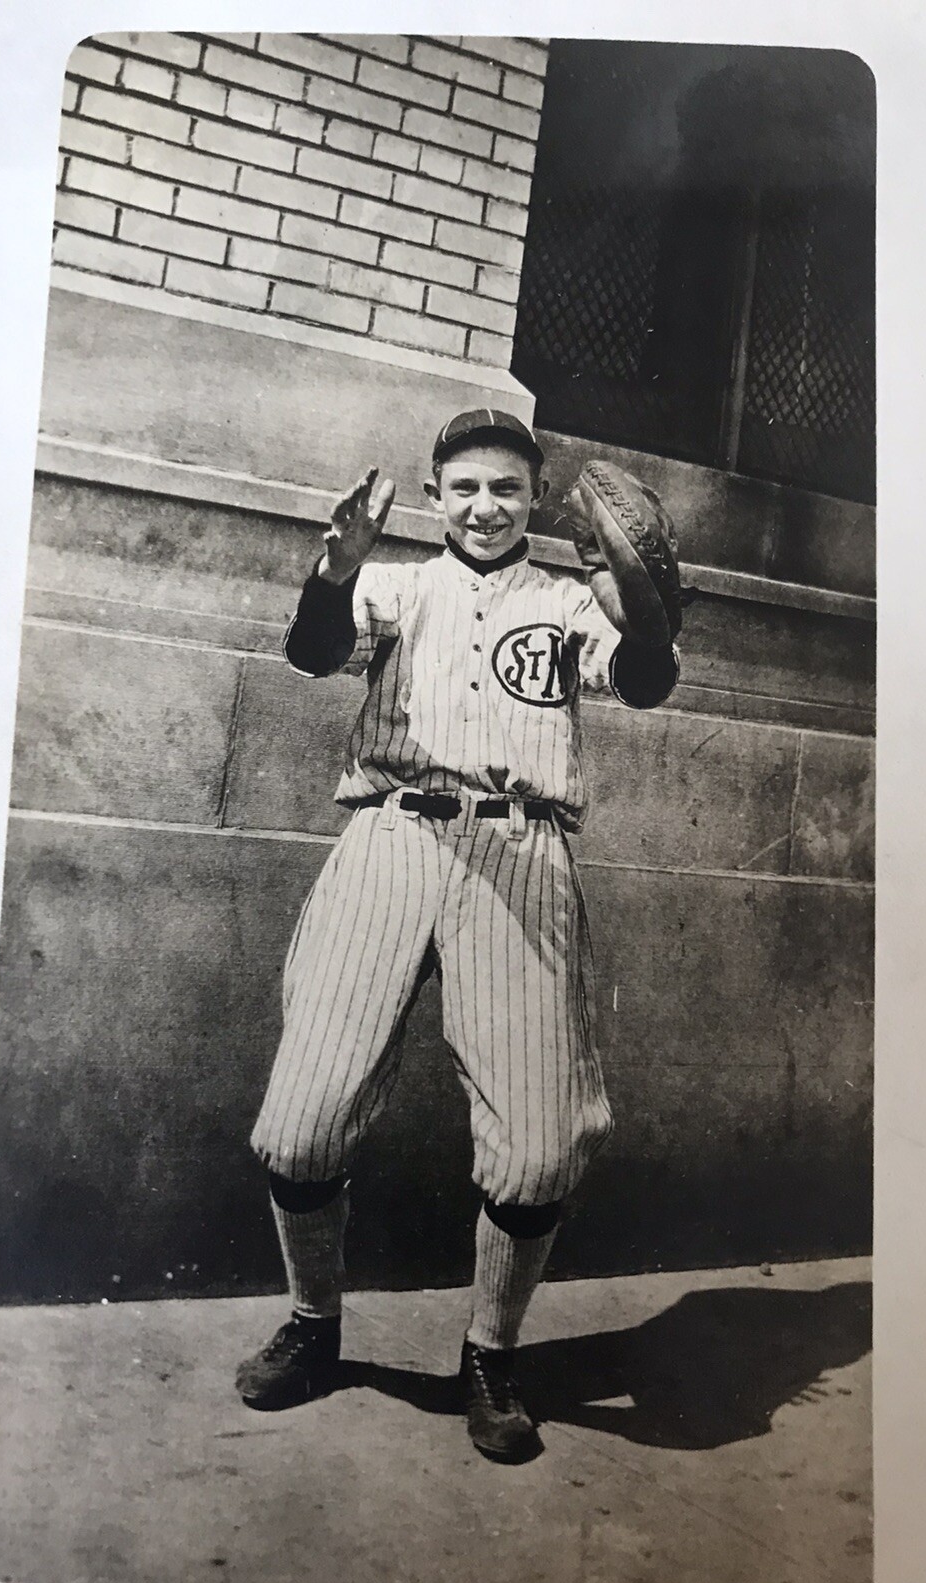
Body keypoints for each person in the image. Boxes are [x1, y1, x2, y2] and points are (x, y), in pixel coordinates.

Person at [236, 408, 679, 1462]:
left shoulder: (568, 601)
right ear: (439, 495)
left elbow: (647, 682)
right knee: (301, 1123)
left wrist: (648, 612)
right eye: (468, 487)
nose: (487, 507)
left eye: (509, 491)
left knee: (539, 1144)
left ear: (534, 503)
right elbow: (315, 652)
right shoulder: (397, 583)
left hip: (521, 851)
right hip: (390, 838)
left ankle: (490, 1353)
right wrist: (335, 571)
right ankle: (312, 1325)